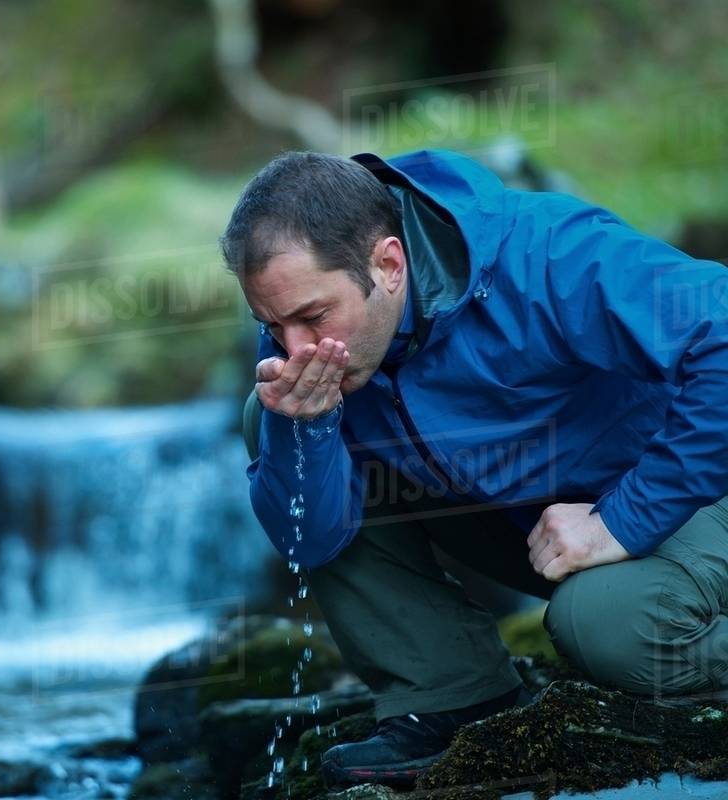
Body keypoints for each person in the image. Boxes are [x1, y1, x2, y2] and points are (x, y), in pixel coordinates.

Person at [222, 149, 728, 787]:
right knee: (269, 416)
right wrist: (309, 426)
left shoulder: (549, 254)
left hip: (693, 493)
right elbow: (315, 537)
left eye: (313, 318)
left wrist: (623, 521)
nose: (295, 348)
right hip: (541, 527)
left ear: (389, 264)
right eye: (271, 323)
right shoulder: (306, 344)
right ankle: (453, 692)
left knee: (602, 625)